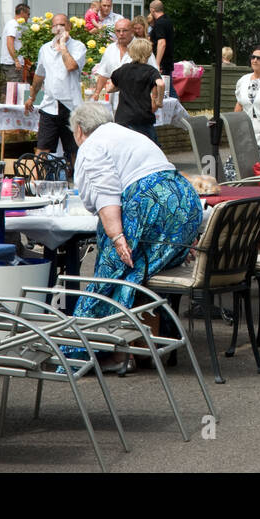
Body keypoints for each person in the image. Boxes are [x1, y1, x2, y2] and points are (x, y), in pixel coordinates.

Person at [66, 102, 203, 369]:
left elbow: (106, 195)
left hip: (149, 206)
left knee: (111, 277)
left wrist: (117, 237)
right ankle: (147, 342)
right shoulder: (128, 134)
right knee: (134, 271)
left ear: (80, 130)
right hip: (183, 200)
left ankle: (104, 351)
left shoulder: (92, 145)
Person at [25, 13, 87, 164]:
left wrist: (63, 45)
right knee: (42, 149)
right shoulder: (45, 49)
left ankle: (79, 182)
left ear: (69, 27)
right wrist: (32, 97)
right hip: (50, 105)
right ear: (51, 29)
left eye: (62, 25)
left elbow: (71, 66)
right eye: (55, 25)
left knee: (74, 150)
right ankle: (35, 183)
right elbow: (39, 75)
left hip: (71, 106)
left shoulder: (78, 46)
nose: (59, 28)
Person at [106, 37, 164, 143]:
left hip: (122, 117)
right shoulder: (151, 71)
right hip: (142, 117)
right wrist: (159, 101)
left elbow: (109, 88)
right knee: (150, 147)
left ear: (130, 52)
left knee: (124, 148)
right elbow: (160, 83)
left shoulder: (123, 69)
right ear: (148, 53)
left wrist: (123, 86)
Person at [90, 18, 135, 114]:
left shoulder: (141, 47)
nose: (121, 34)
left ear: (132, 31)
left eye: (125, 30)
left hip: (136, 102)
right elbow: (103, 73)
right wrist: (97, 93)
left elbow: (153, 73)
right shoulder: (110, 49)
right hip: (114, 103)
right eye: (118, 31)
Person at [148, 0, 176, 96]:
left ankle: (177, 109)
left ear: (152, 10)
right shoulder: (167, 20)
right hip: (168, 59)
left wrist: (157, 63)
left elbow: (162, 43)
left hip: (162, 62)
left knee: (166, 90)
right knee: (167, 88)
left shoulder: (159, 23)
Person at [0, 3, 31, 83]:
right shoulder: (13, 24)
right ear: (22, 13)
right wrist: (16, 60)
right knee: (14, 89)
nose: (29, 16)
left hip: (12, 63)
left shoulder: (18, 25)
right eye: (28, 14)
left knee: (8, 91)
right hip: (12, 64)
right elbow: (10, 43)